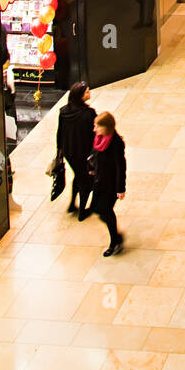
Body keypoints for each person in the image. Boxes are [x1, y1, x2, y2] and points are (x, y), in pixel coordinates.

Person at [56, 82, 96, 220]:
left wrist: (59, 150)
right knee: (87, 181)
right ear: (79, 96)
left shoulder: (63, 112)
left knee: (78, 176)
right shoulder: (89, 114)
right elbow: (94, 135)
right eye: (86, 92)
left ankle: (72, 204)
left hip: (69, 152)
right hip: (84, 153)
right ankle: (82, 211)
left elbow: (59, 133)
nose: (89, 94)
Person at [89, 111, 127, 257]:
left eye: (97, 126)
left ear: (106, 127)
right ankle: (116, 237)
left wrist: (120, 188)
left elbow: (120, 166)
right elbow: (95, 155)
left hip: (110, 184)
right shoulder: (99, 139)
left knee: (106, 210)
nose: (94, 130)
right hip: (99, 180)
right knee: (97, 209)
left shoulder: (115, 143)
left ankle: (114, 241)